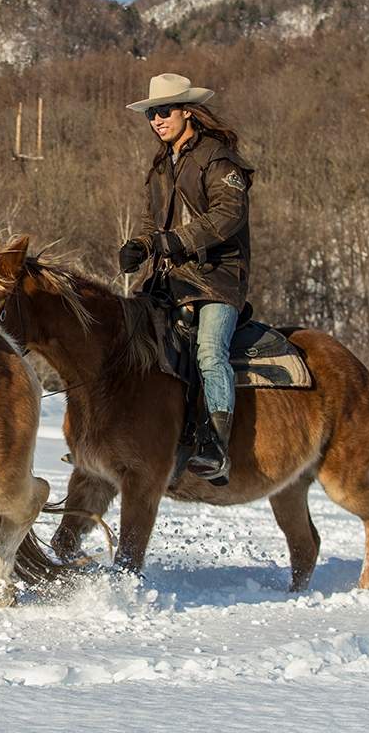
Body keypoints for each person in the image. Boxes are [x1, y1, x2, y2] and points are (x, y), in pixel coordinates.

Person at [118, 73, 253, 485]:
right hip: (169, 279)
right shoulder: (160, 166)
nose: (157, 120)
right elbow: (149, 222)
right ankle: (117, 436)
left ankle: (216, 446)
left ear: (187, 112)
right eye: (151, 114)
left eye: (164, 111)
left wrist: (174, 241)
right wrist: (140, 245)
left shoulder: (218, 158)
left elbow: (229, 216)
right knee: (124, 340)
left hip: (217, 278)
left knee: (210, 352)